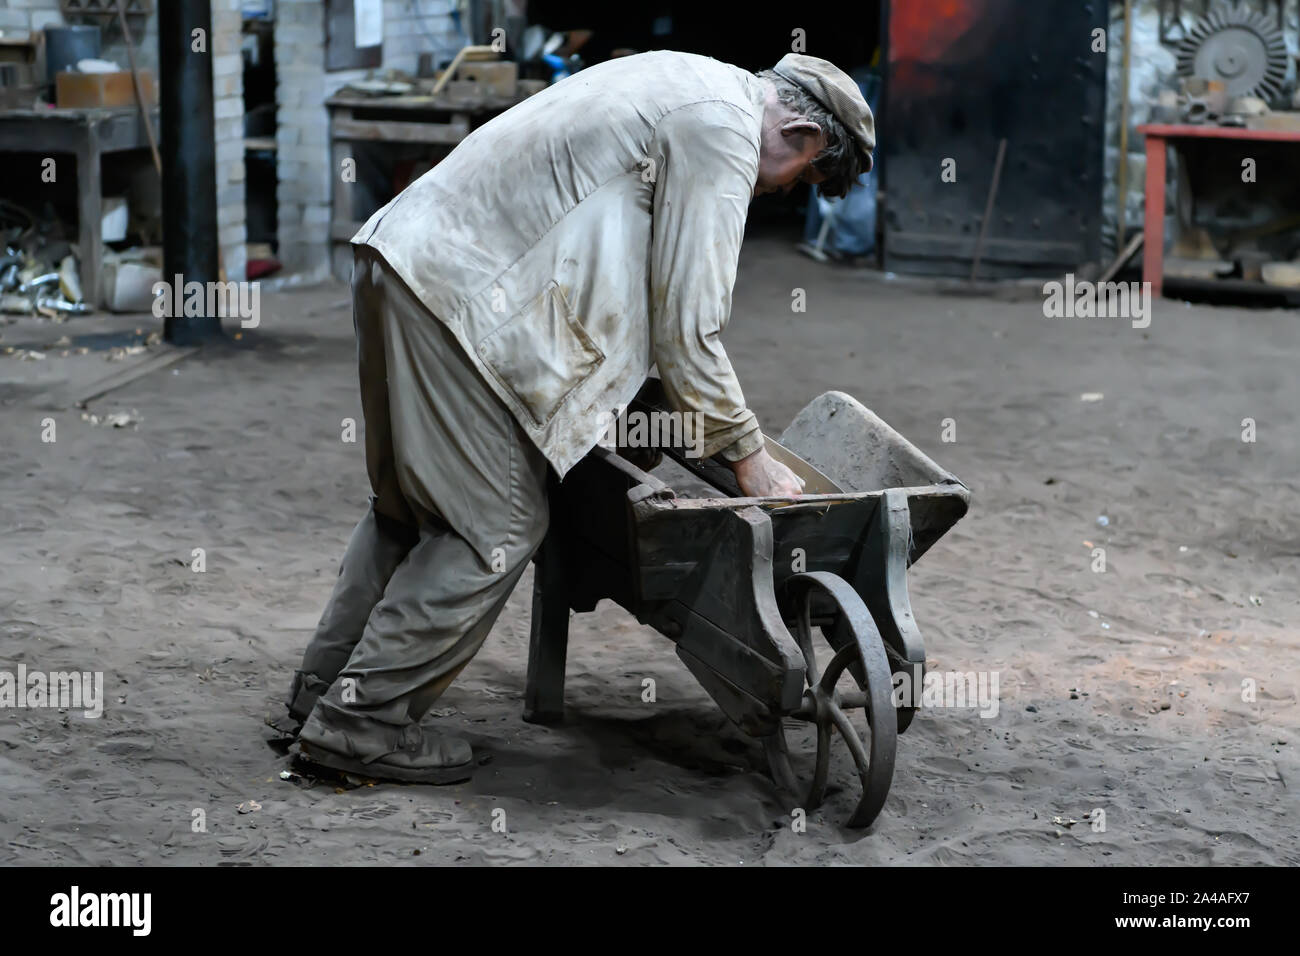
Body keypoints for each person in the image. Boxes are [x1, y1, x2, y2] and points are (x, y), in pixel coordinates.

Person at [282, 50, 875, 783]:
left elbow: (621, 264)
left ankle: (321, 696)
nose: (778, 189)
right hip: (461, 296)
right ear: (806, 136)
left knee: (408, 509)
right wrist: (747, 455)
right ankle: (357, 727)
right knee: (494, 529)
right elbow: (690, 327)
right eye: (802, 177)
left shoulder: (685, 79)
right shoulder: (725, 131)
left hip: (404, 260)